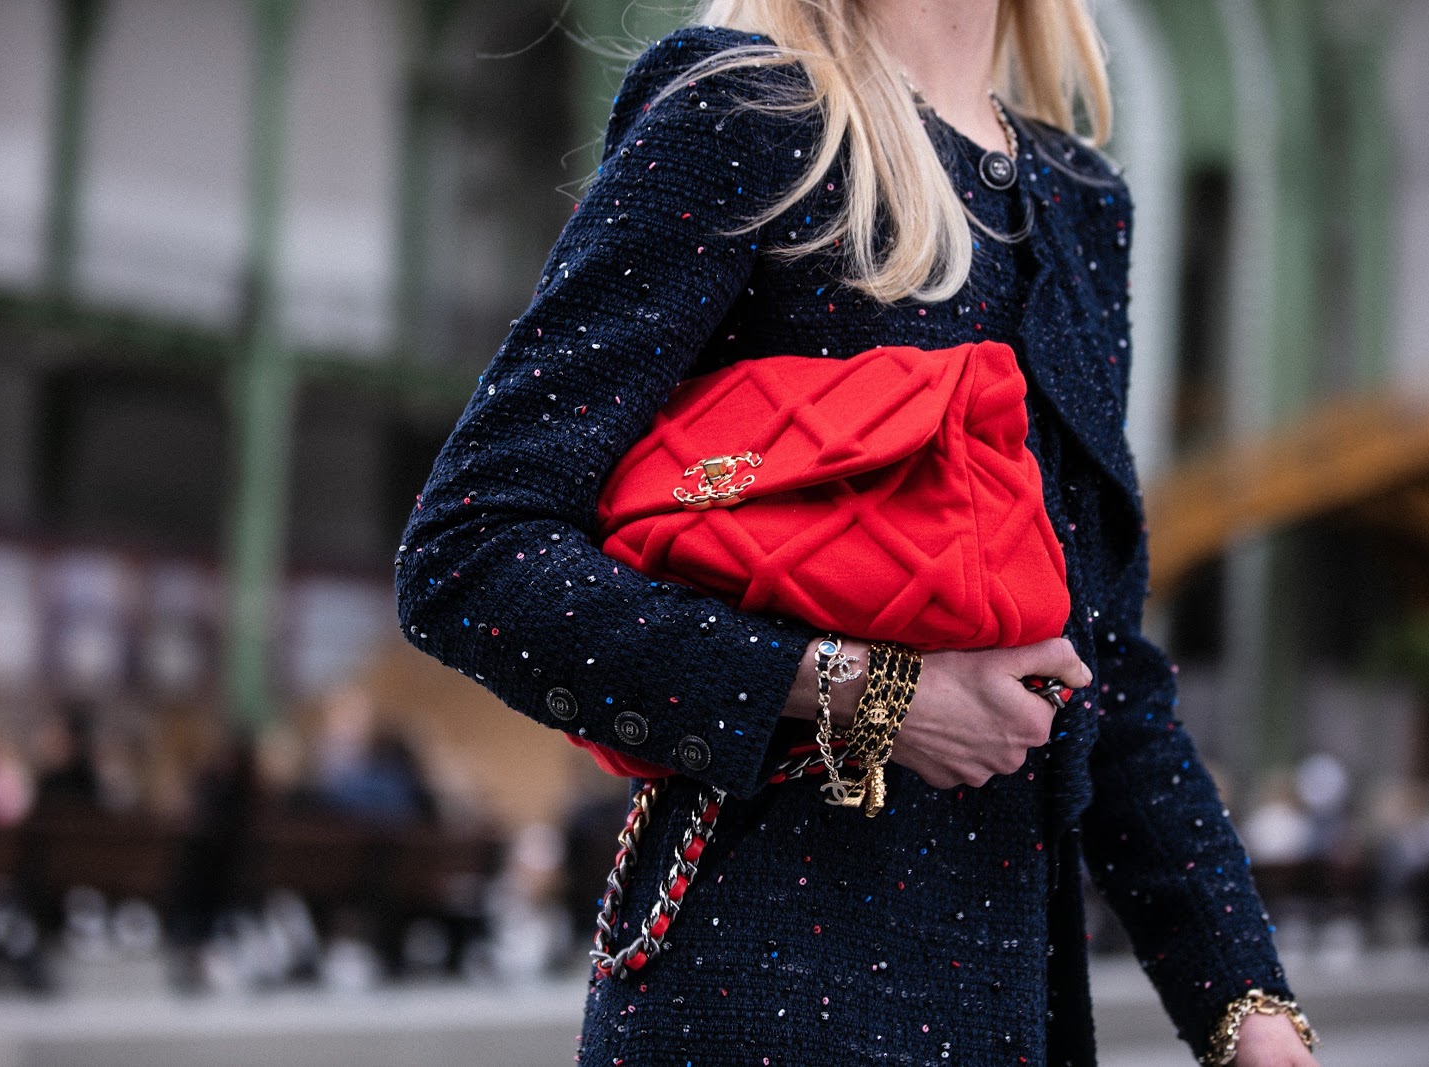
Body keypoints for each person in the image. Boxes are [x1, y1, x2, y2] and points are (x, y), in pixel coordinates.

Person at [394, 1, 1319, 1064]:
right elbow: (468, 552)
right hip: (758, 986)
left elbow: (1097, 665)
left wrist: (1245, 1001)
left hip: (1011, 999)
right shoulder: (744, 114)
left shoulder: (1081, 203)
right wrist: (872, 696)